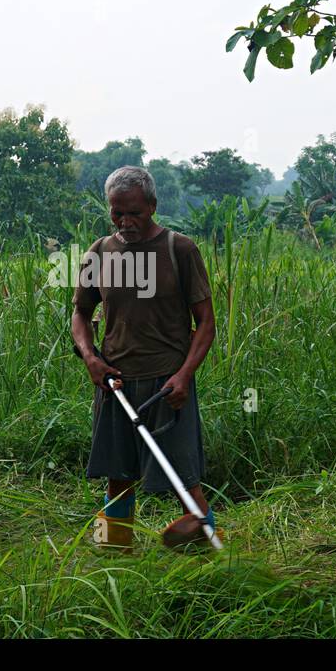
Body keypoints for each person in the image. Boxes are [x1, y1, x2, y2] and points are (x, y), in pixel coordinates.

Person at [70, 165, 219, 551]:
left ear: (152, 205)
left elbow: (206, 324)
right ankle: (112, 555)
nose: (125, 221)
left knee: (184, 479)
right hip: (115, 382)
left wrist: (185, 376)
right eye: (117, 212)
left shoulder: (179, 249)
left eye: (134, 211)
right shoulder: (98, 253)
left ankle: (213, 561)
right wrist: (91, 359)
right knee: (117, 478)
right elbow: (80, 315)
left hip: (167, 385)